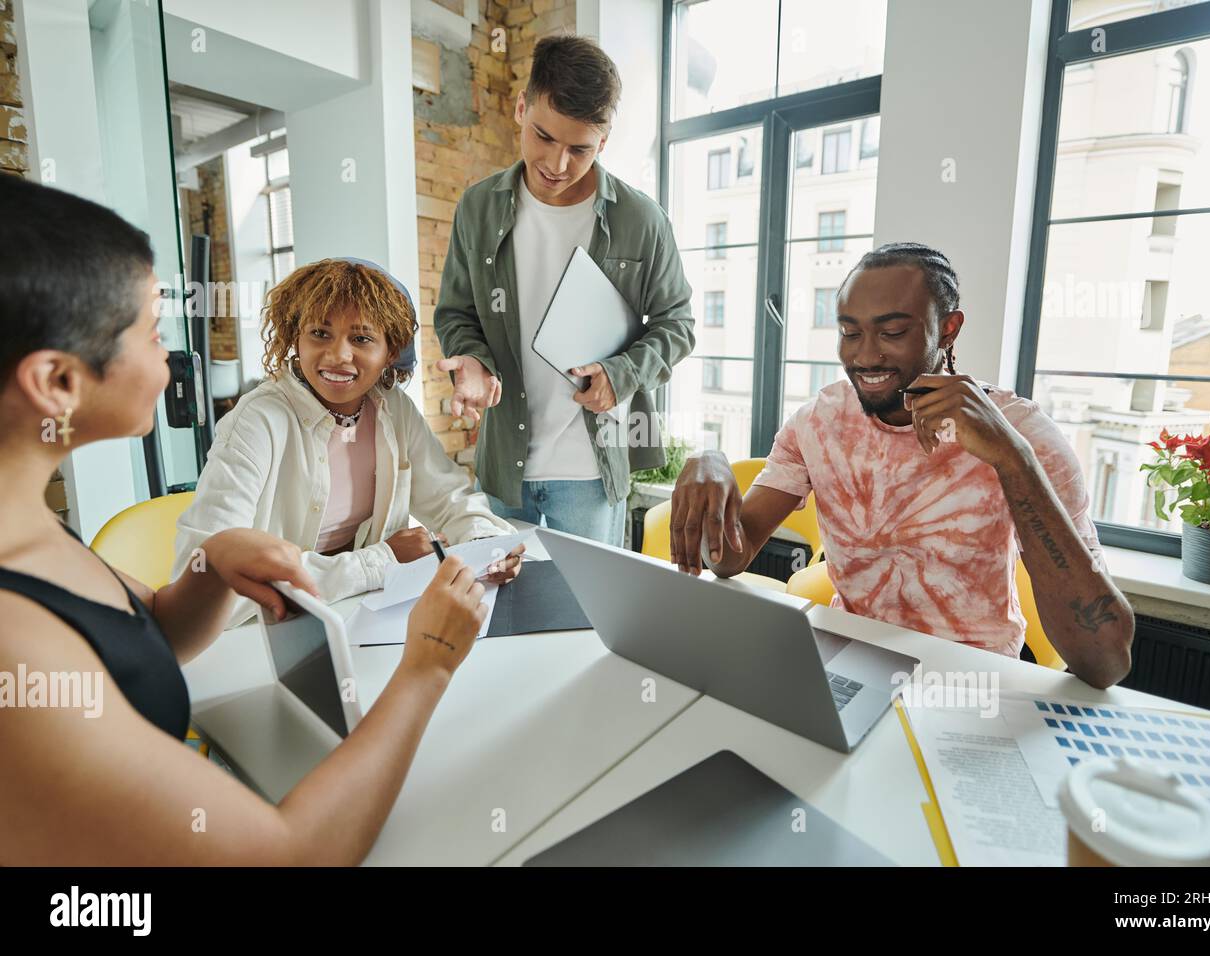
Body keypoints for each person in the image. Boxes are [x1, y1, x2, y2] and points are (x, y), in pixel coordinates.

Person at [0, 175, 489, 864]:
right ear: (56, 382)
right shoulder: (15, 639)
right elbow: (288, 856)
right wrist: (429, 665)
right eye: (151, 333)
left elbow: (153, 635)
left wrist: (213, 571)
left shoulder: (38, 534)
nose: (173, 362)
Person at [669, 242, 1134, 689]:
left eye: (892, 333)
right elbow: (729, 559)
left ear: (948, 329)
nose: (865, 356)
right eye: (850, 332)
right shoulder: (818, 422)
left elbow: (1105, 662)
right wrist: (711, 463)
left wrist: (1012, 460)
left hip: (971, 685)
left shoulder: (1023, 433)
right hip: (849, 669)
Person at [434, 34, 694, 546]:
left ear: (605, 138)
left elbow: (677, 325)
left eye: (579, 148)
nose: (556, 163)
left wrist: (620, 375)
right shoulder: (477, 208)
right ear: (520, 106)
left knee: (591, 618)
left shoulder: (642, 220)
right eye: (543, 136)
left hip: (593, 471)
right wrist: (469, 360)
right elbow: (455, 314)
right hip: (504, 467)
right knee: (501, 613)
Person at [175, 257, 524, 628]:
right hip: (269, 635)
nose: (339, 355)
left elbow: (451, 501)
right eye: (320, 334)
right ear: (296, 337)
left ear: (391, 351)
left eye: (361, 338)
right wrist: (381, 560)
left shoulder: (392, 407)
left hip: (362, 618)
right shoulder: (257, 421)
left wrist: (488, 547)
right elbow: (203, 578)